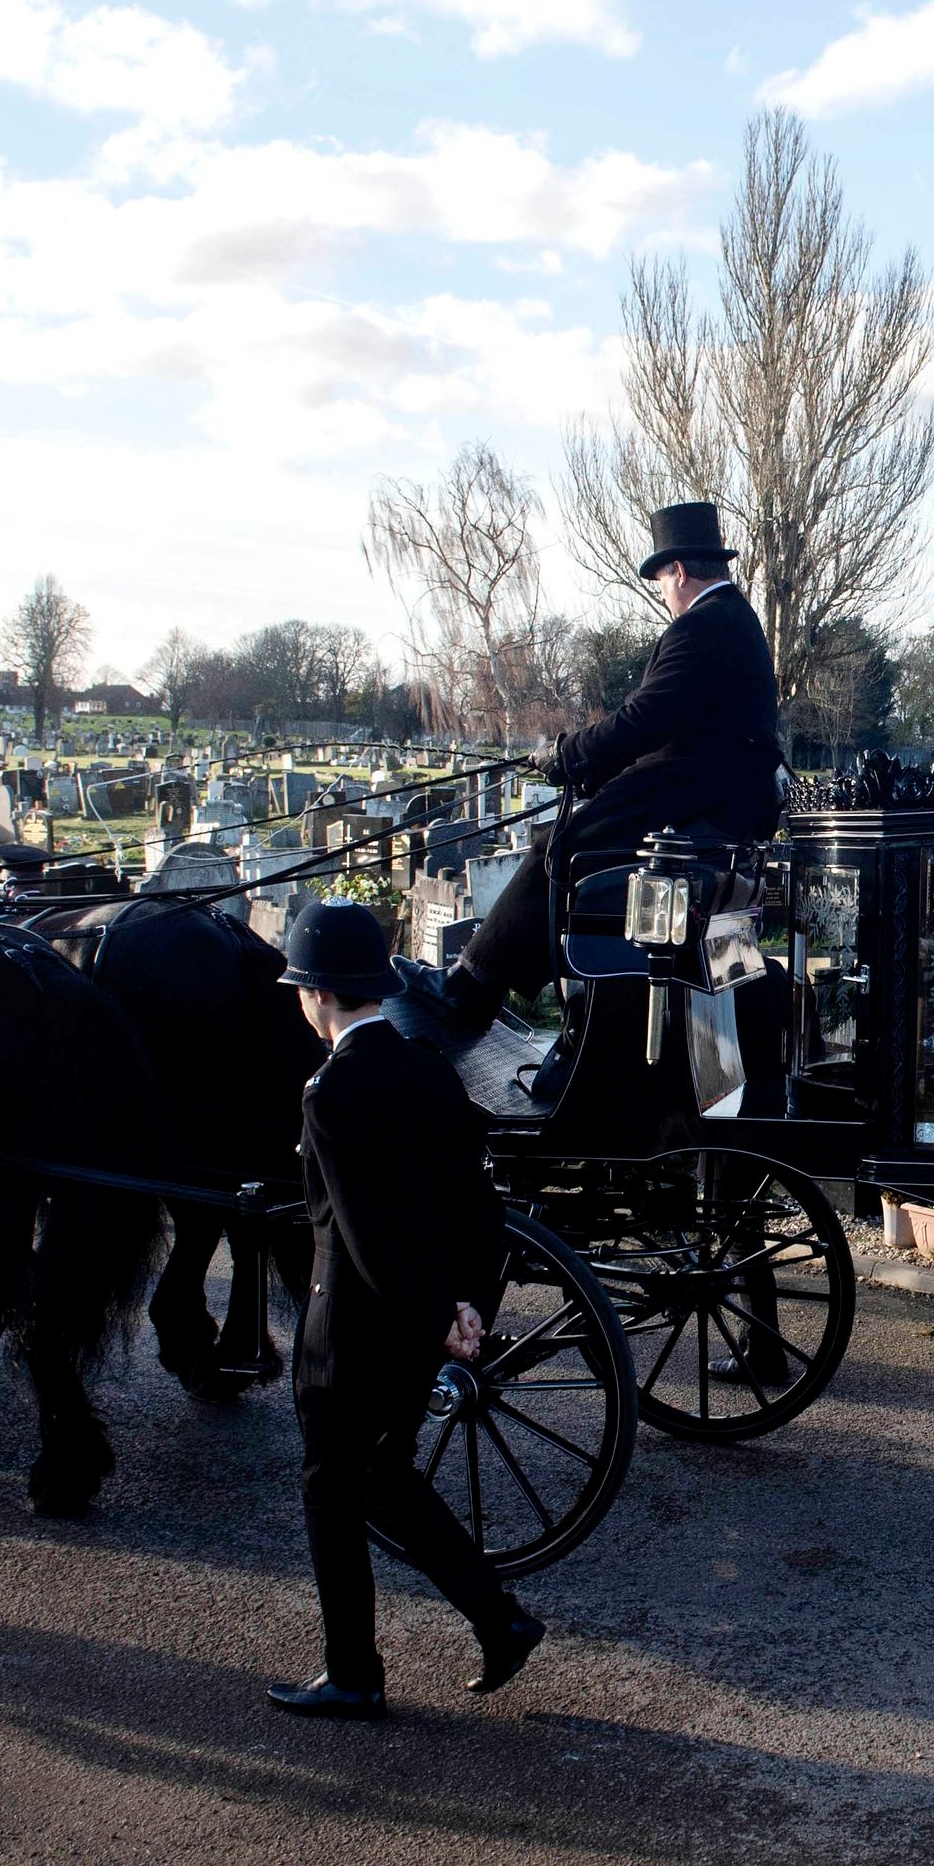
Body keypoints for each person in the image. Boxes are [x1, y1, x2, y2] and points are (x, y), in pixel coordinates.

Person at [265, 902, 547, 1718]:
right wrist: (466, 1308)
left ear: (318, 994)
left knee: (329, 1489)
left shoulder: (330, 1091)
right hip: (422, 1328)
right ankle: (500, 1620)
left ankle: (353, 1672)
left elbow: (364, 1238)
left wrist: (438, 1313)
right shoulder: (427, 1068)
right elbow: (478, 1208)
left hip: (352, 1333)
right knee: (383, 1478)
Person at [426, 501, 784, 1026]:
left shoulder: (701, 626)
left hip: (691, 794)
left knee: (560, 848)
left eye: (661, 581)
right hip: (717, 795)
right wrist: (588, 767)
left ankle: (471, 987)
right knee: (569, 843)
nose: (662, 594)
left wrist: (569, 753)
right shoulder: (737, 619)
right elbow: (670, 722)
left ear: (678, 571)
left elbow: (644, 719)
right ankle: (505, 984)